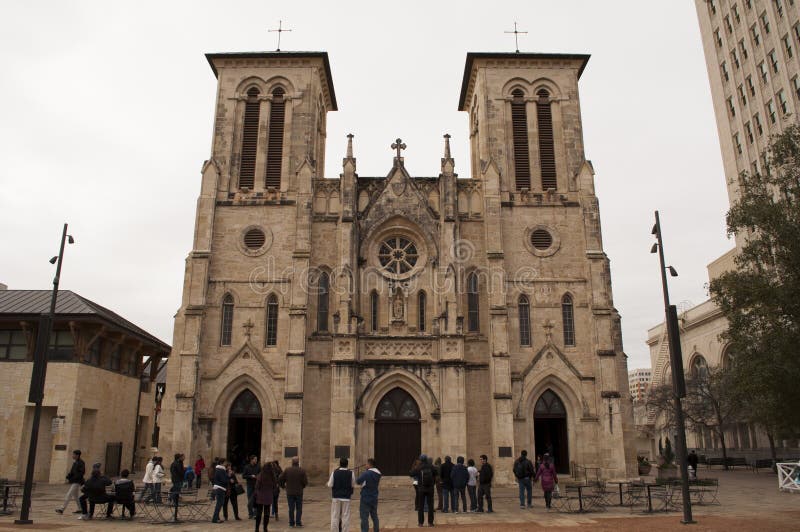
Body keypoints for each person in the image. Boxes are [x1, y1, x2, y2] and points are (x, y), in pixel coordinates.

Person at [327, 457, 355, 532]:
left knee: (335, 515)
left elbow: (330, 484)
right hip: (346, 497)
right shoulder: (351, 473)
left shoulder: (335, 472)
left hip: (336, 497)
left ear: (340, 464)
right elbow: (353, 484)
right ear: (347, 464)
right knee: (345, 516)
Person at [279, 456, 308, 528]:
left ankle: (291, 523)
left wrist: (283, 486)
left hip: (290, 492)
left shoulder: (287, 470)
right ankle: (298, 523)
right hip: (299, 492)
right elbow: (305, 482)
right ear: (298, 462)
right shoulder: (302, 470)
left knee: (291, 508)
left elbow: (280, 479)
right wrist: (302, 487)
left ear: (292, 462)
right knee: (299, 508)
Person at [56, 449, 85, 514]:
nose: (73, 455)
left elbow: (81, 472)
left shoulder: (81, 462)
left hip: (77, 481)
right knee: (76, 496)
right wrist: (68, 476)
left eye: (74, 454)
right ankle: (80, 509)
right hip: (74, 481)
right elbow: (72, 471)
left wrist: (74, 478)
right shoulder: (75, 462)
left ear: (77, 455)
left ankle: (62, 509)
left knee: (69, 495)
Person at [356, 458, 381, 532]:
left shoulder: (367, 473)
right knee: (374, 516)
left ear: (370, 465)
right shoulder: (378, 474)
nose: (365, 465)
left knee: (364, 517)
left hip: (366, 497)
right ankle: (376, 530)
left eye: (367, 464)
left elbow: (358, 481)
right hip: (374, 496)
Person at [411, 454, 436, 527]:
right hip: (430, 489)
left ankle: (420, 523)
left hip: (421, 489)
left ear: (421, 460)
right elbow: (436, 473)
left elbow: (411, 474)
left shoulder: (419, 467)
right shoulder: (431, 466)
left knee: (420, 506)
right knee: (430, 506)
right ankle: (430, 523)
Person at [254, 462, 276, 532]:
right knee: (267, 513)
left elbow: (257, 486)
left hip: (260, 495)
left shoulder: (260, 475)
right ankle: (265, 528)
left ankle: (257, 528)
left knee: (259, 513)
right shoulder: (272, 476)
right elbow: (274, 485)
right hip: (268, 495)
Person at [211, 458, 229, 523]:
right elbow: (224, 480)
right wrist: (228, 476)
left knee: (219, 504)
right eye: (225, 462)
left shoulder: (218, 469)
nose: (226, 463)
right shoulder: (221, 470)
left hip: (218, 488)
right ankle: (215, 518)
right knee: (219, 504)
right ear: (222, 463)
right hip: (220, 488)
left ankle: (216, 518)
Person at [169, 453, 185, 520]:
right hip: (177, 480)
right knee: (176, 491)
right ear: (179, 457)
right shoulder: (177, 464)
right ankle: (172, 500)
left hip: (175, 479)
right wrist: (184, 470)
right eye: (183, 457)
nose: (184, 458)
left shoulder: (175, 463)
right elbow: (180, 472)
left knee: (176, 491)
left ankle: (172, 499)